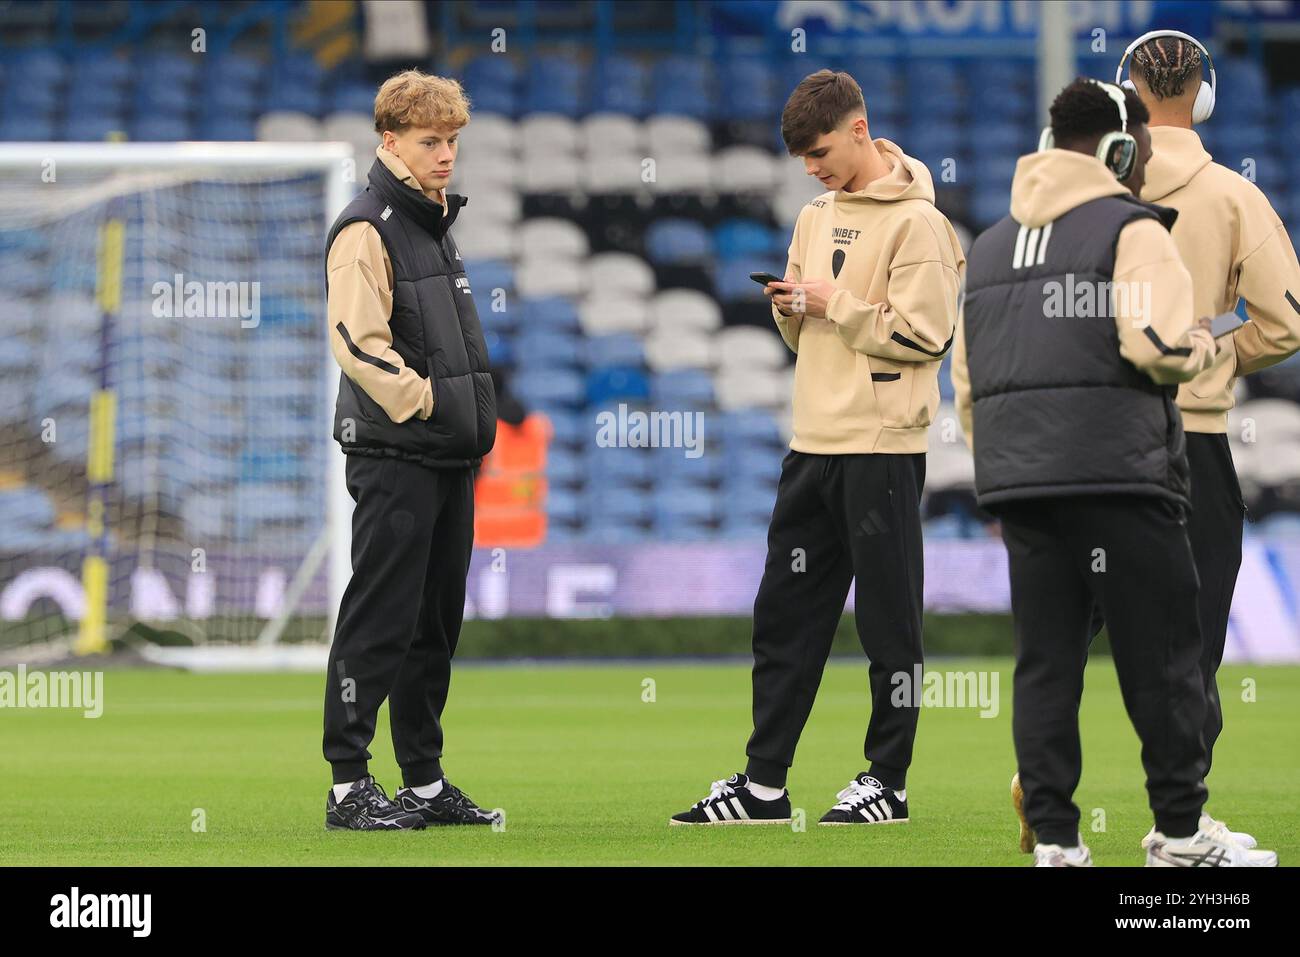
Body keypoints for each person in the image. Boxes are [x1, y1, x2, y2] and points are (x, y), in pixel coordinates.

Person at [952, 77, 1275, 866]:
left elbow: (966, 383)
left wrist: (1008, 459)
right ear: (1120, 149)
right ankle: (1179, 831)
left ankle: (1057, 842)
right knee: (1163, 658)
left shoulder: (989, 245)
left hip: (1022, 482)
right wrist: (1202, 345)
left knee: (1046, 663)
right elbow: (1153, 346)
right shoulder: (1132, 228)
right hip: (1120, 475)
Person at [670, 70, 965, 826]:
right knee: (785, 617)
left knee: (889, 623)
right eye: (802, 155)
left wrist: (837, 304)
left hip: (882, 446)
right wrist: (797, 306)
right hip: (813, 442)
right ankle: (763, 785)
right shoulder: (815, 214)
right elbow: (805, 335)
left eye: (821, 149)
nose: (812, 166)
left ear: (860, 129)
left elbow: (926, 335)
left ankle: (887, 783)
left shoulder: (920, 225)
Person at [1115, 29, 1300, 853]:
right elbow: (1286, 322)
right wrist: (1215, 343)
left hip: (1092, 437)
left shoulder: (1087, 191)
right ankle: (1177, 822)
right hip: (1190, 437)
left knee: (1060, 626)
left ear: (1123, 89)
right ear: (1206, 93)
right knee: (1191, 640)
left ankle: (1049, 787)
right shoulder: (1234, 195)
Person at [321, 69, 500, 830]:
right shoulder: (368, 226)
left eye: (453, 140)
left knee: (434, 623)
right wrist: (428, 403)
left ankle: (421, 781)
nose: (446, 154)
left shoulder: (430, 224)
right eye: (431, 140)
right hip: (397, 452)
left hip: (445, 456)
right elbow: (356, 345)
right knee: (381, 615)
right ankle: (348, 784)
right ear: (388, 141)